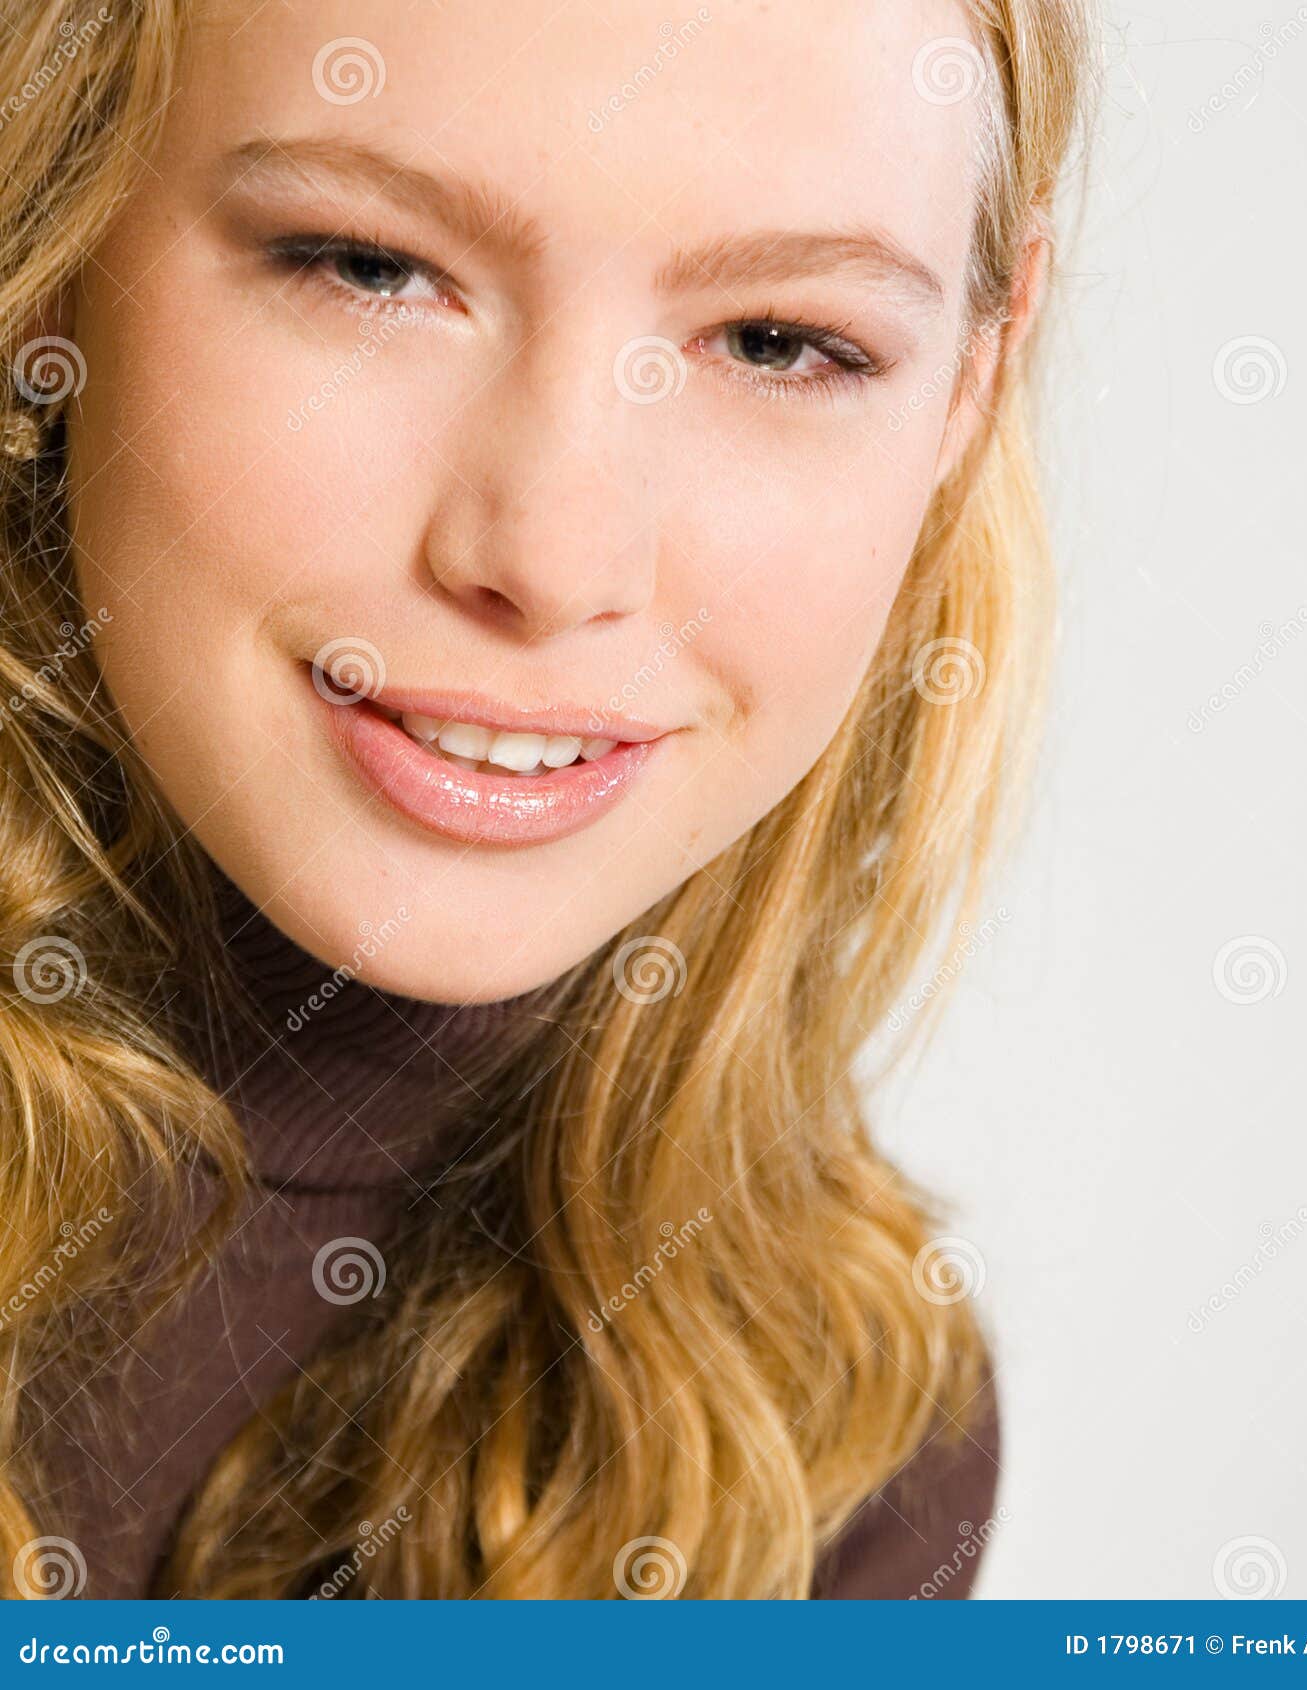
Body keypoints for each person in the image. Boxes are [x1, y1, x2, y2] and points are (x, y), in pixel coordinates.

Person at [0, 0, 1092, 1598]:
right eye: (369, 266)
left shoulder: (838, 1441)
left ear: (968, 390)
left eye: (782, 342)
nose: (555, 557)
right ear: (49, 238)